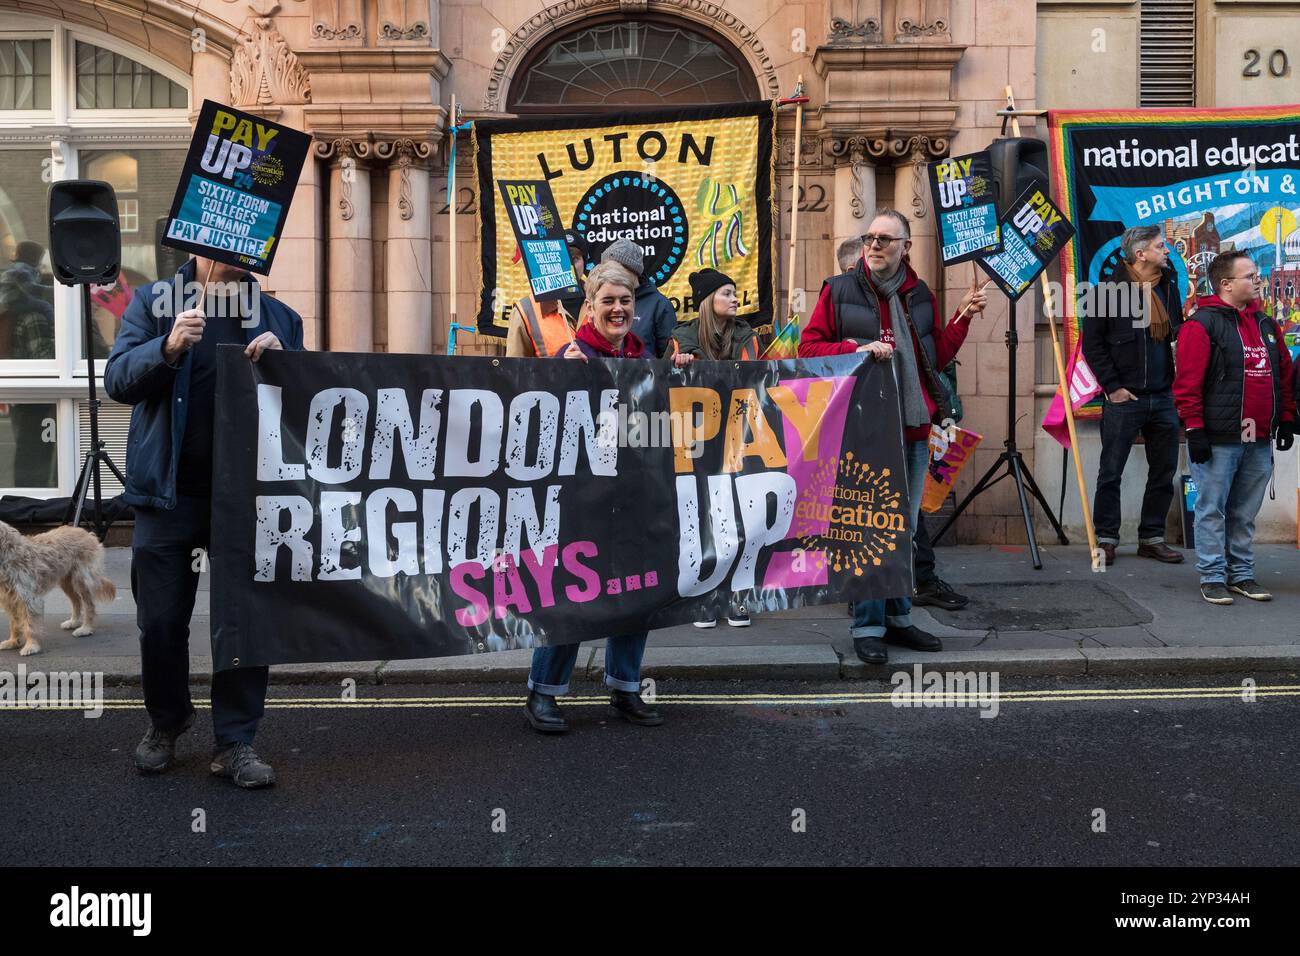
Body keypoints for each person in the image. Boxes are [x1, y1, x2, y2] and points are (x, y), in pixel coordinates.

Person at [104, 255, 304, 787]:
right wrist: (167, 347)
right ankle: (166, 723)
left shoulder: (278, 316)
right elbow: (118, 381)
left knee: (243, 623)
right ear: (200, 242)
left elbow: (310, 405)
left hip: (246, 500)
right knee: (162, 622)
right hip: (168, 499)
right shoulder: (152, 304)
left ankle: (235, 741)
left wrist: (289, 367)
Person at [798, 209, 987, 664]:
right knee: (866, 527)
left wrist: (961, 318)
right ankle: (867, 626)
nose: (875, 244)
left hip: (913, 427)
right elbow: (808, 348)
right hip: (862, 428)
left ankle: (899, 620)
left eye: (886, 238)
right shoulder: (839, 289)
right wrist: (855, 349)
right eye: (870, 237)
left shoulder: (920, 294)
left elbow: (933, 355)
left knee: (902, 530)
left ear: (906, 246)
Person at [525, 260, 694, 733]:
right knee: (571, 596)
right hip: (583, 500)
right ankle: (544, 694)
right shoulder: (573, 353)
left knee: (636, 595)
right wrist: (557, 372)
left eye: (625, 301)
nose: (618, 310)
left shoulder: (646, 355)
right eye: (608, 302)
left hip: (637, 497)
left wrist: (679, 371)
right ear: (591, 308)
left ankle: (625, 688)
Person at [1173, 250, 1295, 605]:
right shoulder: (1202, 325)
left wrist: (1285, 419)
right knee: (1212, 508)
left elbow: (1282, 375)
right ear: (1226, 284)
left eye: (1256, 274)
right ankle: (1212, 576)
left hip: (1258, 438)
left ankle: (1241, 574)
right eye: (1249, 276)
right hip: (1219, 438)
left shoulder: (1267, 325)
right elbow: (1187, 384)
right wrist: (1195, 430)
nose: (1257, 280)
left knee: (1244, 512)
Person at [1082, 225, 1185, 566]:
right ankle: (1107, 538)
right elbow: (1092, 347)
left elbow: (1178, 335)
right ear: (1140, 254)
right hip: (1124, 398)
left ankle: (1151, 538)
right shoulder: (1105, 293)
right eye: (1160, 246)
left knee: (1163, 470)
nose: (1167, 251)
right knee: (1111, 471)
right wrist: (1113, 387)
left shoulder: (1169, 288)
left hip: (1163, 396)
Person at [670, 268, 760, 627]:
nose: (735, 299)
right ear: (709, 300)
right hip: (698, 442)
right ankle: (705, 596)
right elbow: (664, 383)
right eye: (727, 293)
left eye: (736, 293)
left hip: (740, 438)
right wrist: (676, 365)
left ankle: (736, 595)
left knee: (739, 516)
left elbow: (758, 376)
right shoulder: (681, 337)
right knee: (703, 517)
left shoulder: (747, 335)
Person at [504, 233, 586, 358]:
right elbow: (515, 370)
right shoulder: (526, 310)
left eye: (575, 259)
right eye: (561, 258)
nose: (569, 266)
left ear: (584, 262)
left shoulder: (601, 300)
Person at [598, 237, 678, 358]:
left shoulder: (660, 305)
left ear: (634, 270)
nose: (611, 274)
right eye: (606, 269)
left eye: (616, 269)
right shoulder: (598, 300)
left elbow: (669, 358)